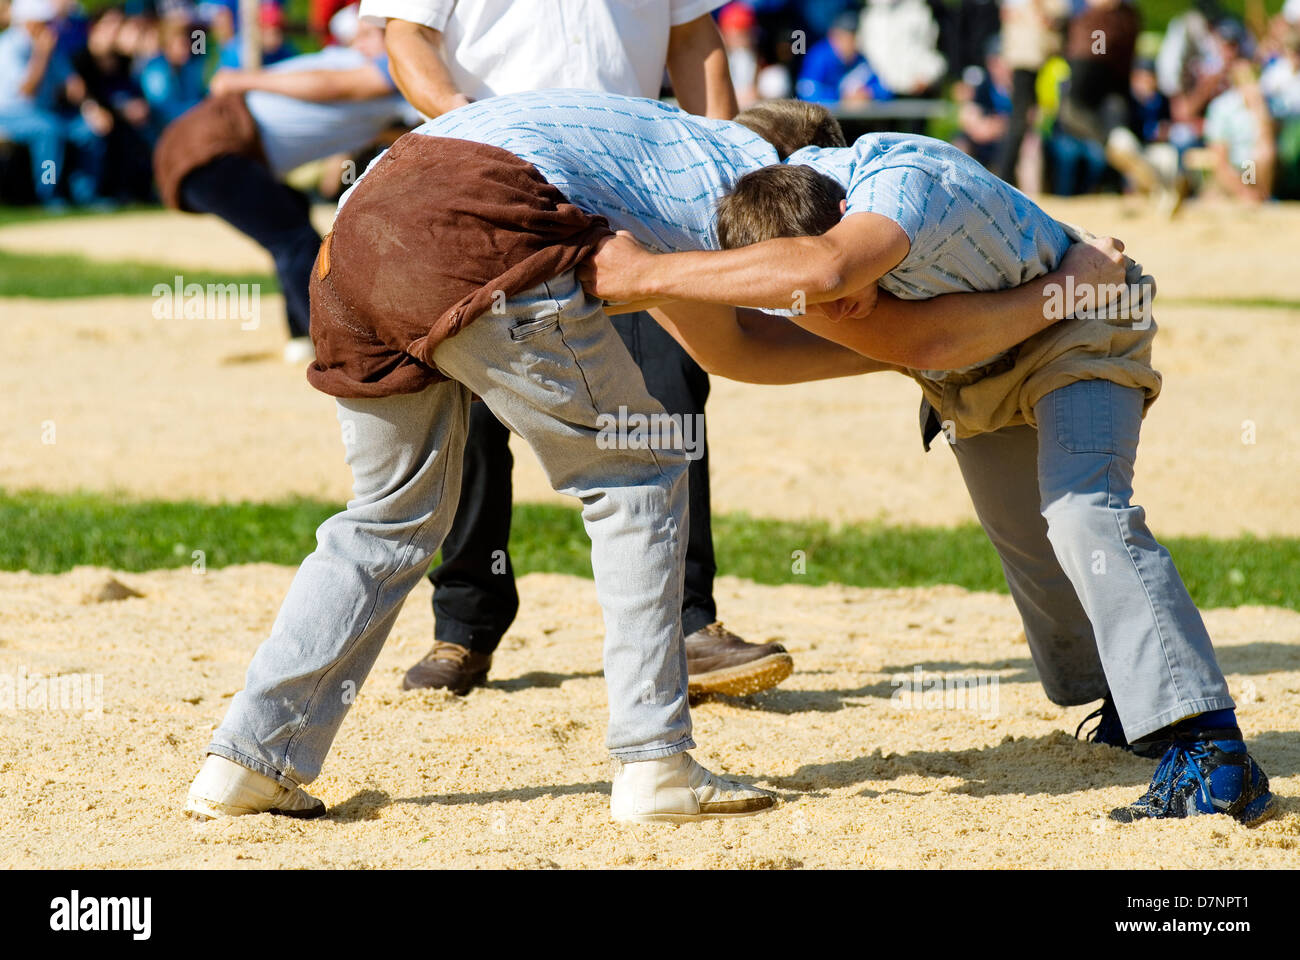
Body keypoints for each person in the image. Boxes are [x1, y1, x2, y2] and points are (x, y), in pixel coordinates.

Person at [183, 89, 1123, 824]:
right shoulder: (744, 184)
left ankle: (249, 760)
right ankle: (654, 765)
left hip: (355, 240)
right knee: (638, 475)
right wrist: (967, 331)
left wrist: (898, 359)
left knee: (383, 518)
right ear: (804, 168)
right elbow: (816, 276)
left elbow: (735, 352)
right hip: (475, 222)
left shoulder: (658, 157)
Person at [578, 131, 1276, 826]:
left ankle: (1211, 750)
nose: (836, 309)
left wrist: (1068, 288)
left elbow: (919, 333)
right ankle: (1135, 701)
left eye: (842, 284)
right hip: (973, 369)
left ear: (847, 233)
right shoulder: (809, 258)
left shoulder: (906, 191)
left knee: (1082, 510)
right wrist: (653, 270)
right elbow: (746, 352)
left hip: (1081, 321)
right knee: (1032, 544)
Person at [363, 0, 794, 700]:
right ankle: (464, 627)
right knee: (473, 411)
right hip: (492, 174)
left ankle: (687, 627)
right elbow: (408, 36)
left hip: (635, 179)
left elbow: (693, 40)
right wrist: (464, 119)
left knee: (667, 393)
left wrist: (717, 165)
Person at [153, 16, 410, 358]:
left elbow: (362, 109)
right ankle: (337, 351)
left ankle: (302, 337)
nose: (359, 43)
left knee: (291, 216)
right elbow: (334, 86)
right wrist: (245, 80)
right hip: (210, 146)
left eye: (369, 35)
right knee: (294, 239)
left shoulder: (380, 67)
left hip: (207, 143)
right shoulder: (383, 68)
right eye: (358, 35)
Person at [0, 0, 104, 205]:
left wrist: (91, 108)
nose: (48, 28)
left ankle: (86, 195)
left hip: (44, 112)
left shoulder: (50, 45)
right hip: (11, 113)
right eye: (43, 22)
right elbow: (27, 92)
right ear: (27, 21)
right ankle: (49, 194)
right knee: (49, 130)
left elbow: (73, 86)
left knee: (88, 130)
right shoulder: (9, 46)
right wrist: (42, 54)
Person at [795, 10, 889, 104]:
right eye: (845, 38)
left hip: (856, 116)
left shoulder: (860, 59)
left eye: (853, 38)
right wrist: (840, 97)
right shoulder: (819, 56)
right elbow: (806, 92)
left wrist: (869, 93)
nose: (850, 43)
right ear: (833, 36)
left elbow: (884, 89)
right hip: (825, 115)